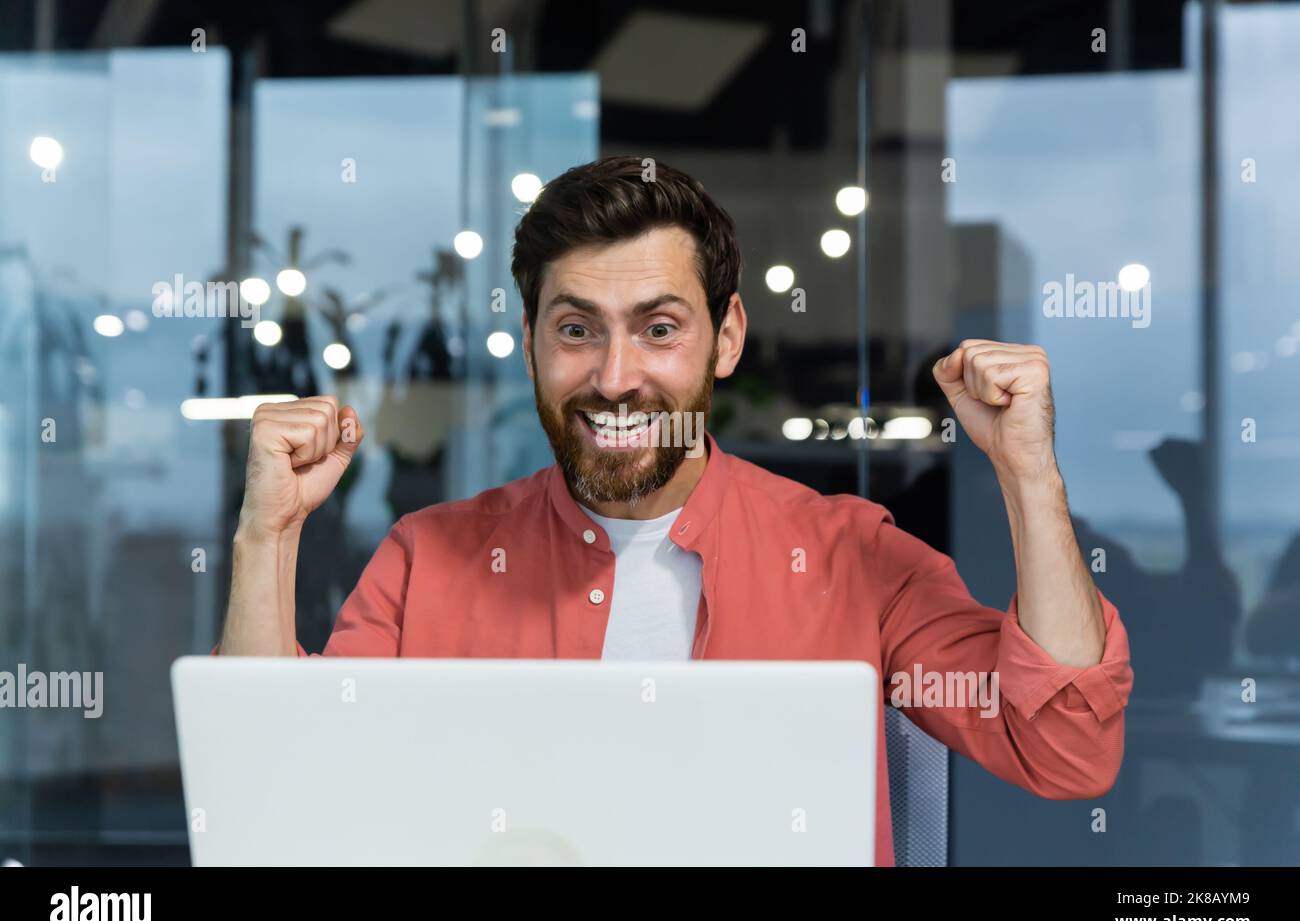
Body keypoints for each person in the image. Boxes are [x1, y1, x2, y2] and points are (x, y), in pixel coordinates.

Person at [217, 156, 1134, 867]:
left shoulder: (853, 555)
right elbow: (274, 804)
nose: (616, 379)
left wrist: (1029, 477)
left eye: (659, 328)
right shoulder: (428, 560)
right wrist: (269, 535)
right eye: (576, 330)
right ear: (532, 342)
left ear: (725, 337)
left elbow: (1063, 749)